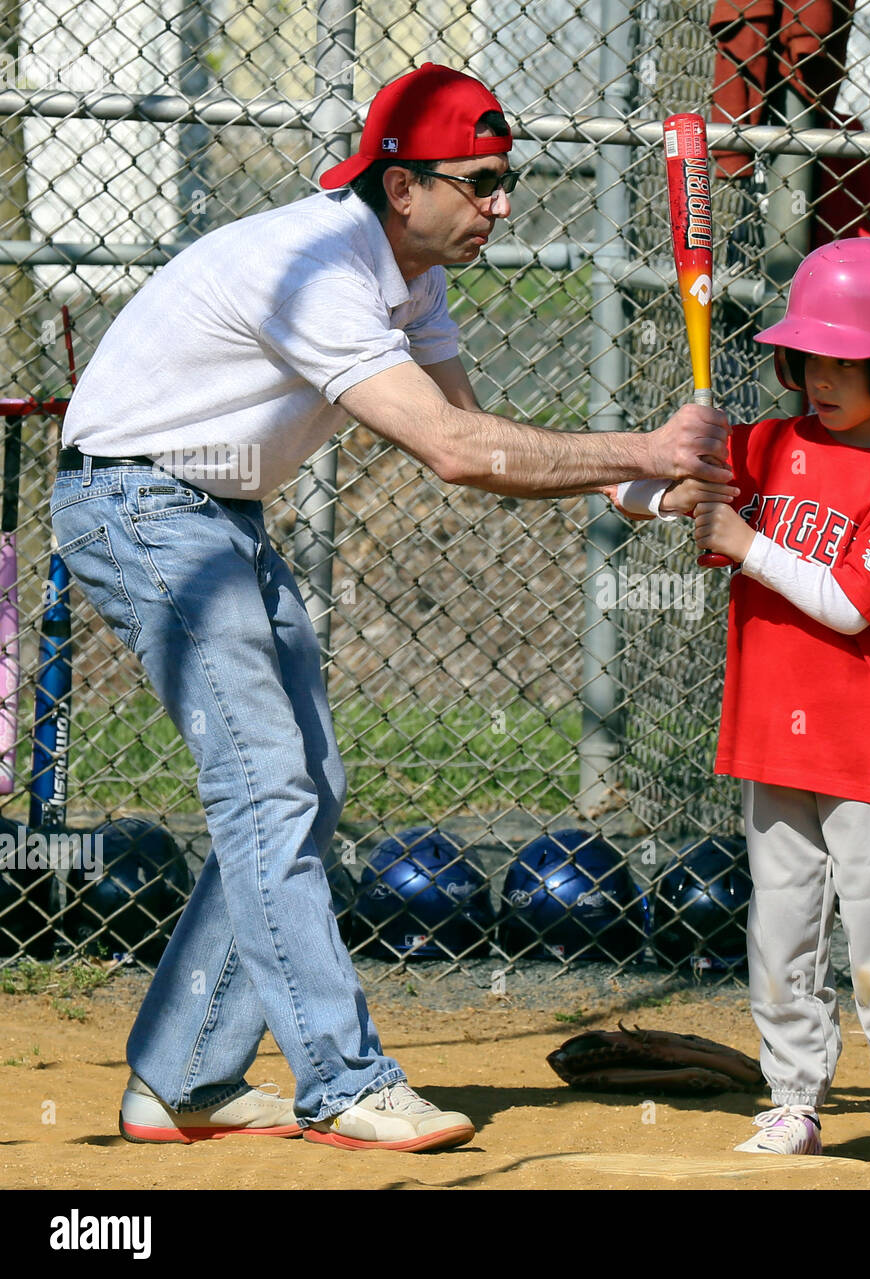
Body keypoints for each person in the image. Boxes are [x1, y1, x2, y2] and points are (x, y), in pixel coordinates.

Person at [51, 62, 728, 1153]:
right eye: (480, 182)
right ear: (400, 184)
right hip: (138, 505)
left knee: (305, 787)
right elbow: (455, 453)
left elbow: (488, 433)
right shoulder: (318, 262)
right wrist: (642, 448)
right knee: (267, 786)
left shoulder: (414, 275)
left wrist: (643, 485)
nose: (501, 205)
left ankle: (181, 1080)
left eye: (507, 181)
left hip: (216, 512)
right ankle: (342, 1081)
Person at [616, 237, 870, 1170]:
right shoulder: (764, 445)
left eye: (848, 359)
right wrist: (667, 464)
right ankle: (794, 1098)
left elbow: (854, 606)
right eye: (808, 354)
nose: (820, 375)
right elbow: (629, 492)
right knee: (781, 929)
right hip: (769, 737)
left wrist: (746, 541)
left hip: (867, 748)